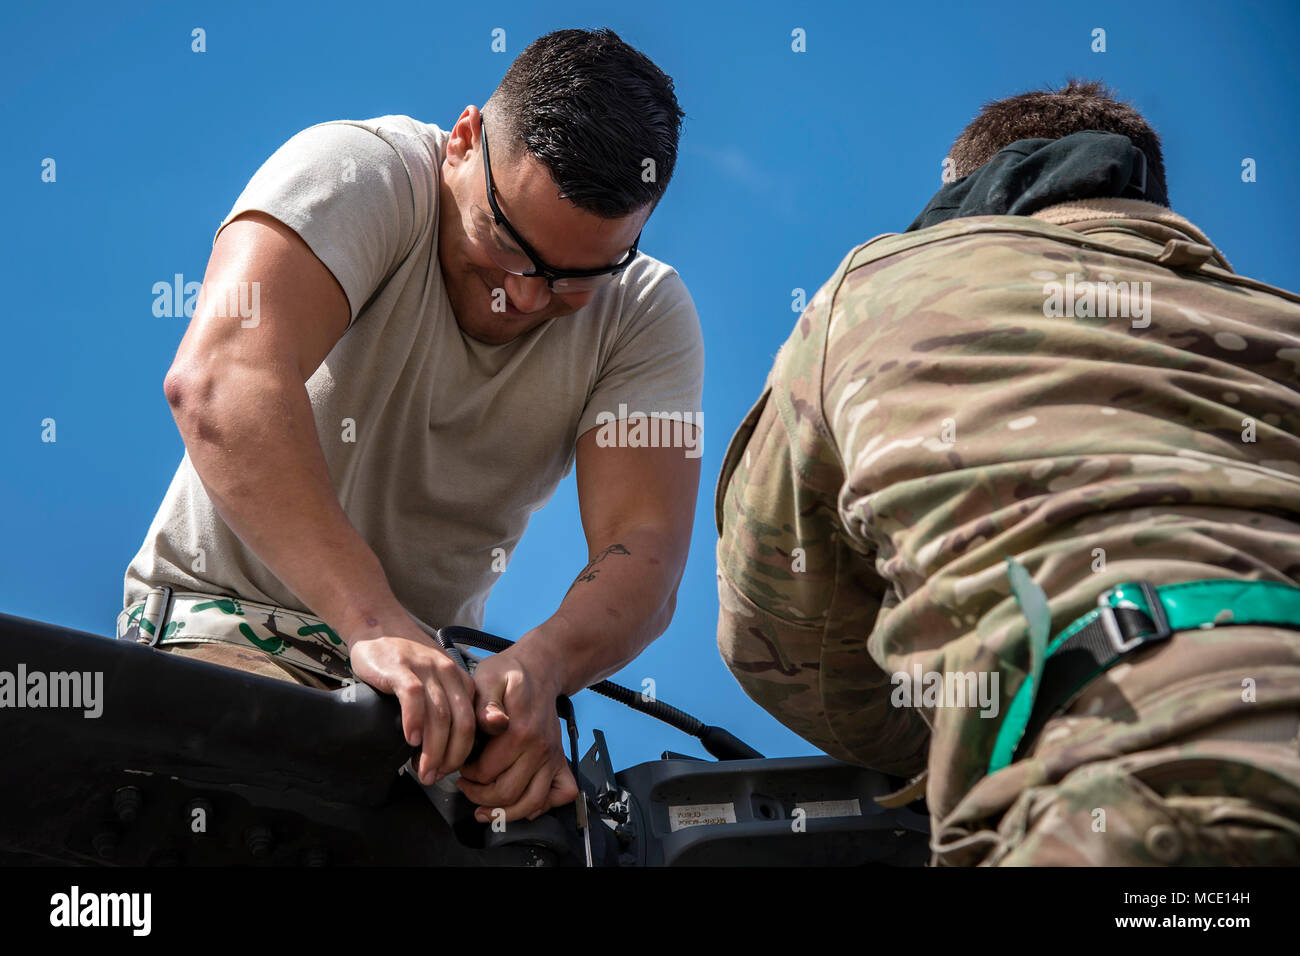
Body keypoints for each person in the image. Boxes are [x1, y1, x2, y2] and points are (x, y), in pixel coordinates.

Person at [120, 28, 704, 827]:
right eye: (507, 244)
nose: (527, 298)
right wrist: (371, 621)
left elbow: (646, 550)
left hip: (422, 701)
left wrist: (538, 668)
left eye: (576, 277)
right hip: (227, 640)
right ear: (462, 143)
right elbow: (221, 383)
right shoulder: (359, 173)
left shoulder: (645, 311)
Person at [714, 79, 1300, 865]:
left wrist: (965, 725)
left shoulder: (881, 289)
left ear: (966, 192)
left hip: (1142, 788)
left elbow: (783, 638)